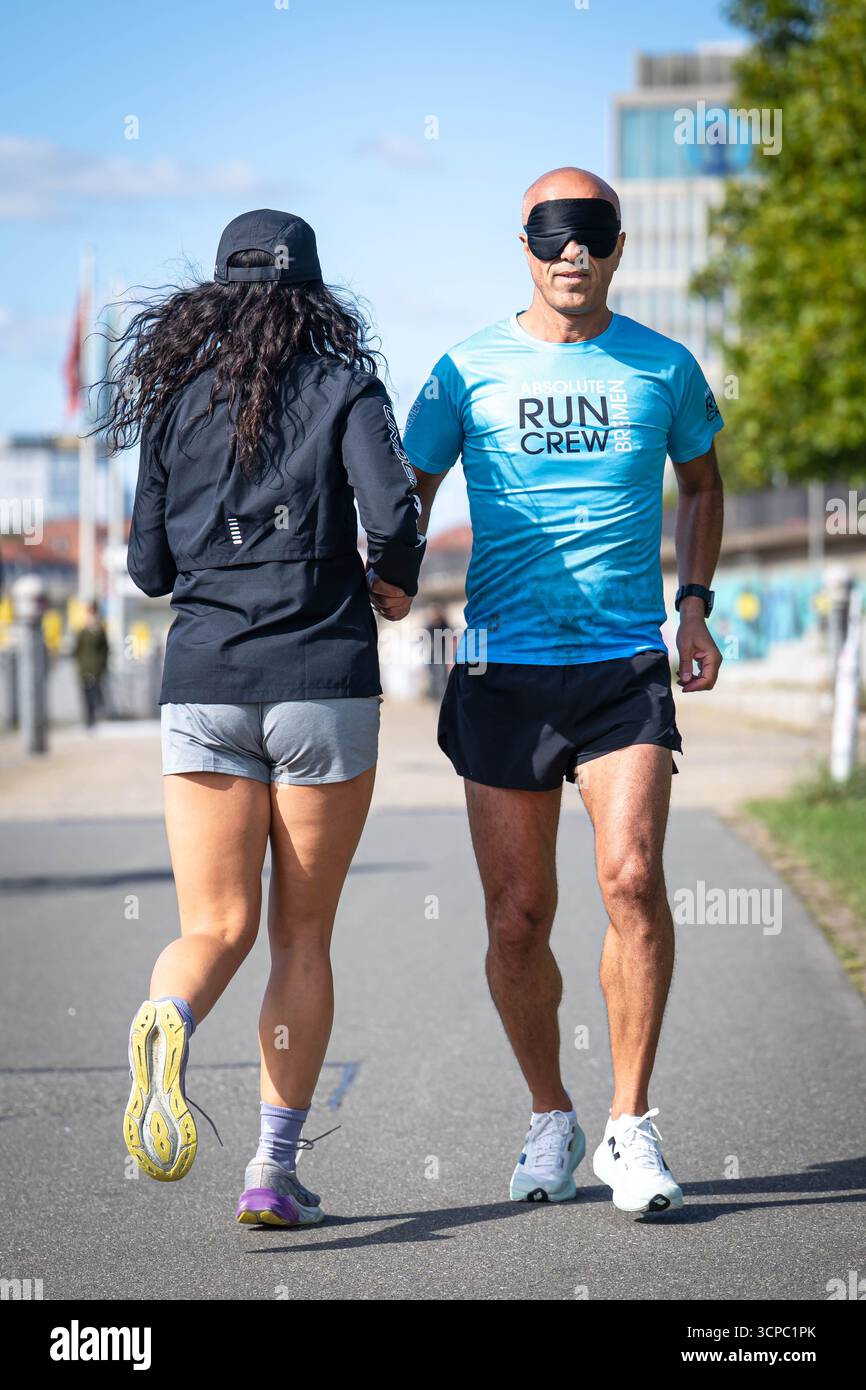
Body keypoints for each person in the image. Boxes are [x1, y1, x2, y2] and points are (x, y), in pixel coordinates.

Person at [403, 167, 724, 1215]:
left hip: (623, 663)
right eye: (552, 233)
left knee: (630, 877)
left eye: (590, 232)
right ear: (525, 247)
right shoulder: (462, 372)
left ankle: (629, 1125)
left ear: (618, 247)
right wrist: (388, 577)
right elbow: (408, 489)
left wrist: (692, 605)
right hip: (502, 668)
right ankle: (552, 1113)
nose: (571, 250)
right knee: (517, 915)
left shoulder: (663, 367)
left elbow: (702, 482)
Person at [101, 209, 424, 1226]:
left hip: (204, 684)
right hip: (320, 681)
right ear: (313, 293)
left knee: (215, 926)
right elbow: (395, 513)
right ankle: (271, 1172)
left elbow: (148, 568)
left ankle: (170, 1013)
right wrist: (393, 581)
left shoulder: (174, 403)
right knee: (300, 938)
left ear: (212, 294)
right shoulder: (346, 388)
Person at [73, 600, 109, 727]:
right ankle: (89, 719)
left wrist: (103, 666)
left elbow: (106, 650)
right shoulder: (82, 632)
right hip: (85, 669)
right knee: (86, 694)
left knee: (96, 692)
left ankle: (96, 716)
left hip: (97, 669)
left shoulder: (100, 631)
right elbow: (76, 650)